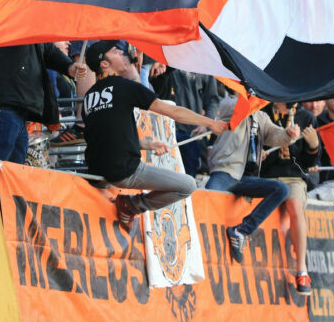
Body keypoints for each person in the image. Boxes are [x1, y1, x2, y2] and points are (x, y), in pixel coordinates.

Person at [81, 41, 227, 233]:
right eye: (116, 52)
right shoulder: (125, 86)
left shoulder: (89, 97)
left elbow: (110, 134)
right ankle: (132, 205)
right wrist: (210, 123)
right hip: (123, 171)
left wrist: (147, 145)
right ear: (104, 64)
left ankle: (131, 203)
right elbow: (173, 111)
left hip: (97, 169)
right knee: (188, 185)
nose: (124, 54)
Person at [0, 31, 86, 163]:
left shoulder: (30, 26)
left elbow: (45, 47)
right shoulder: (9, 17)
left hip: (19, 110)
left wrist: (68, 66)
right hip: (3, 106)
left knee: (14, 174)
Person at [205, 99, 294, 270]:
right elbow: (233, 108)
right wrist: (251, 98)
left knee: (282, 189)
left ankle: (241, 231)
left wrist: (289, 134)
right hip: (226, 172)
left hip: (246, 178)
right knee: (207, 201)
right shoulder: (230, 104)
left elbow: (275, 135)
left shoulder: (261, 116)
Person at [260, 102, 321, 295]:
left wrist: (314, 146)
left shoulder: (306, 117)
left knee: (294, 204)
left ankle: (301, 269)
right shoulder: (262, 112)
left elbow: (310, 163)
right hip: (265, 176)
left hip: (293, 177)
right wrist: (255, 152)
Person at [150, 67, 221, 177]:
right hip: (160, 131)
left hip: (189, 134)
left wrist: (205, 124)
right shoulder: (161, 57)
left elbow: (212, 100)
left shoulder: (204, 64)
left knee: (186, 180)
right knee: (159, 178)